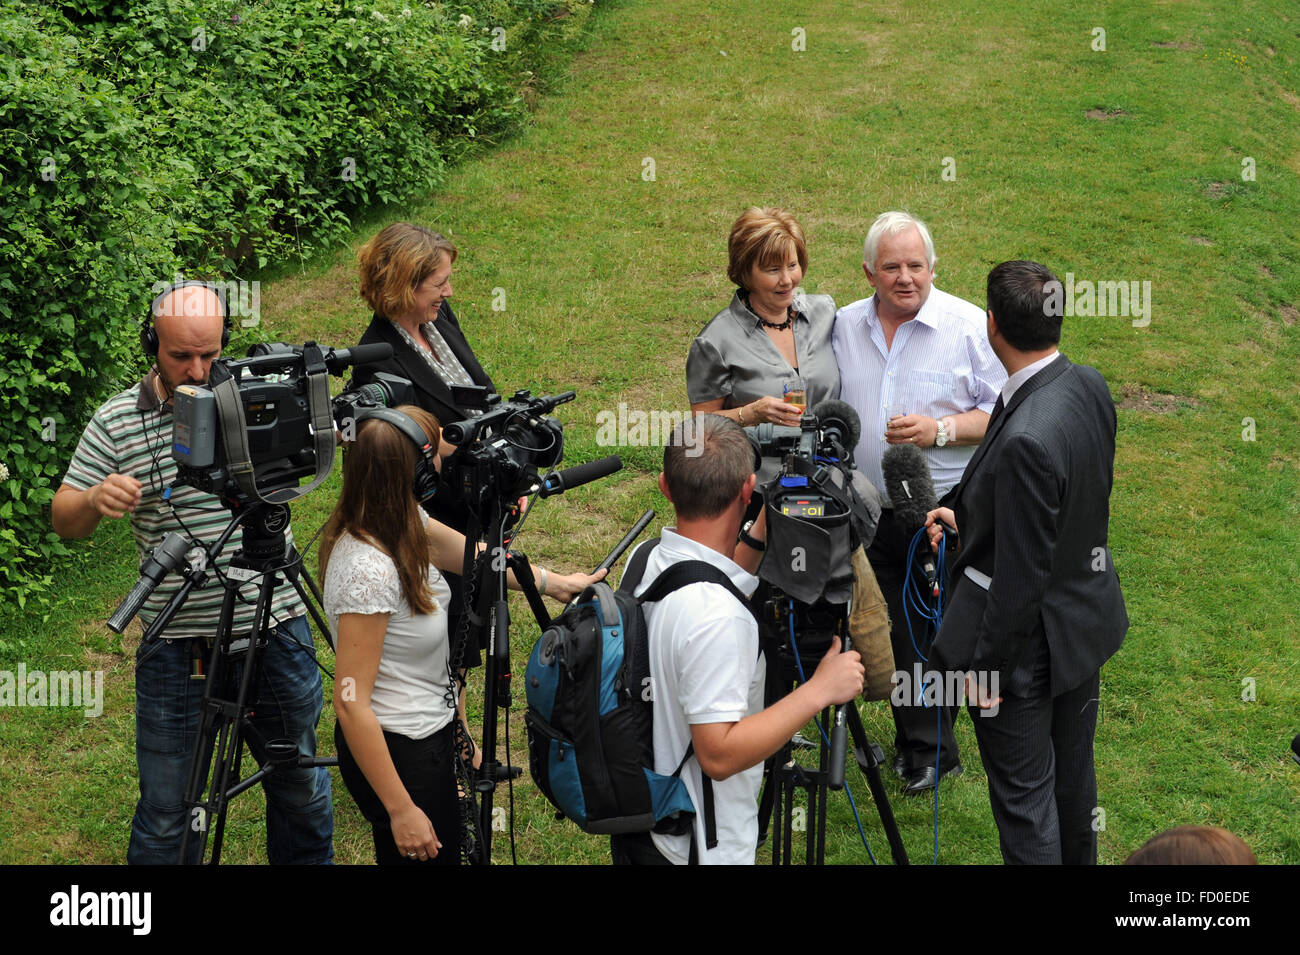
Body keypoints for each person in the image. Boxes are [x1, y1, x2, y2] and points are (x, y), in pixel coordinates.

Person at [52, 281, 333, 864]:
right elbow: (64, 519)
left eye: (209, 354)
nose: (198, 370)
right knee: (166, 809)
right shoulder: (117, 420)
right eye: (181, 356)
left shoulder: (253, 396)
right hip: (178, 640)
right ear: (150, 343)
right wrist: (94, 499)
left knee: (299, 785)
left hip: (272, 621)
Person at [321, 405, 602, 865]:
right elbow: (351, 703)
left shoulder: (401, 517)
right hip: (400, 753)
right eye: (433, 457)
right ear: (410, 473)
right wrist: (401, 810)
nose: (442, 467)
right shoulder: (367, 570)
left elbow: (477, 556)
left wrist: (555, 583)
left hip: (427, 738)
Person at [924, 260, 1128, 865]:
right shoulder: (1086, 384)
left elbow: (1020, 580)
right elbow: (1074, 503)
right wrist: (977, 521)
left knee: (1025, 803)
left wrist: (984, 675)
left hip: (1025, 656)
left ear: (992, 326)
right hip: (1082, 627)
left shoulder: (1025, 441)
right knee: (1073, 786)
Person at [614, 414, 865, 865]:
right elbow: (719, 754)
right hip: (696, 845)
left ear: (664, 486)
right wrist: (819, 690)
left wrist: (759, 533)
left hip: (647, 818)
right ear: (748, 491)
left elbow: (709, 576)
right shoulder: (719, 619)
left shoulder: (646, 559)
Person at [832, 211, 1006, 795]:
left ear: (934, 266)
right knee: (883, 625)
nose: (905, 277)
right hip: (866, 505)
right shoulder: (844, 324)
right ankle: (911, 743)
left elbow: (1004, 413)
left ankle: (932, 751)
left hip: (940, 507)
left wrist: (940, 430)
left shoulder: (967, 327)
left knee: (929, 627)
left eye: (915, 265)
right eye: (891, 267)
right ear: (868, 272)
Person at [687, 208, 838, 441]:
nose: (787, 280)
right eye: (773, 269)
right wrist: (752, 413)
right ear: (745, 272)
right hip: (757, 473)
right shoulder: (714, 342)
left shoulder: (825, 313)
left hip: (829, 471)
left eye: (792, 265)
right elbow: (698, 429)